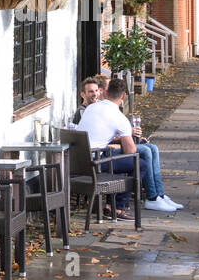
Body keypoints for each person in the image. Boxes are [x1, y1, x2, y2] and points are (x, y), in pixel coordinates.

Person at [76, 78, 181, 213]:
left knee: (147, 151)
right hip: (96, 162)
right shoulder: (120, 118)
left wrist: (120, 141)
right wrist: (126, 139)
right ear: (124, 96)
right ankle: (118, 207)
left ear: (106, 92)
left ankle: (157, 196)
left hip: (80, 160)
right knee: (140, 163)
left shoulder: (91, 107)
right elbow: (130, 152)